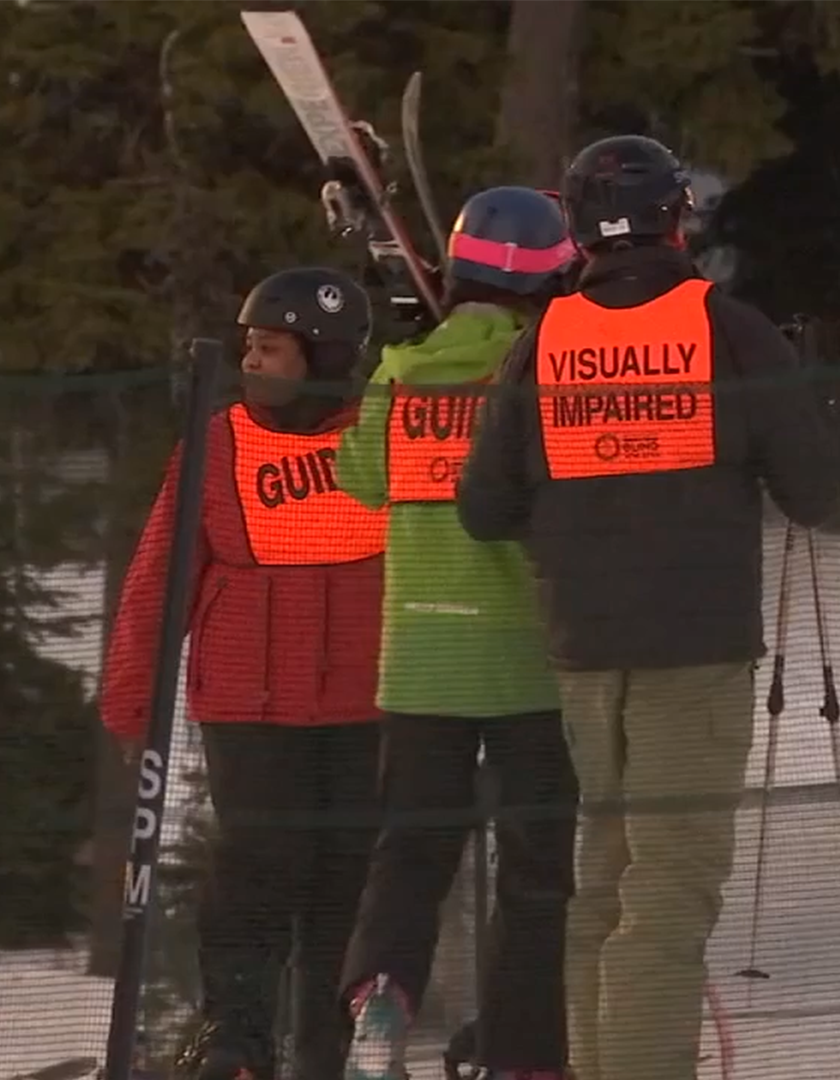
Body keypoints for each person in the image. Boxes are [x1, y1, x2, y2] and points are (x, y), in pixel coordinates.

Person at [455, 136, 840, 1080]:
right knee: (669, 886)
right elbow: (815, 491)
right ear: (677, 220)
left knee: (606, 878)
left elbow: (484, 507)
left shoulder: (544, 341)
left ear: (580, 231)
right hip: (694, 646)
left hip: (584, 646)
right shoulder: (729, 330)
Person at [101, 267, 389, 1080]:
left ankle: (333, 1049)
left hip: (365, 707)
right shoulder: (221, 442)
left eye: (269, 348)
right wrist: (131, 702)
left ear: (323, 356)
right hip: (251, 705)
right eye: (249, 348)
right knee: (254, 873)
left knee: (348, 883)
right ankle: (237, 1043)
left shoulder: (381, 437)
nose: (251, 363)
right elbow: (160, 577)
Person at [330, 187, 579, 1080]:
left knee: (411, 849)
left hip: (420, 656)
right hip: (525, 659)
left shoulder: (400, 371)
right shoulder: (541, 371)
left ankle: (381, 997)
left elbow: (359, 479)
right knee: (535, 867)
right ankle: (523, 1051)